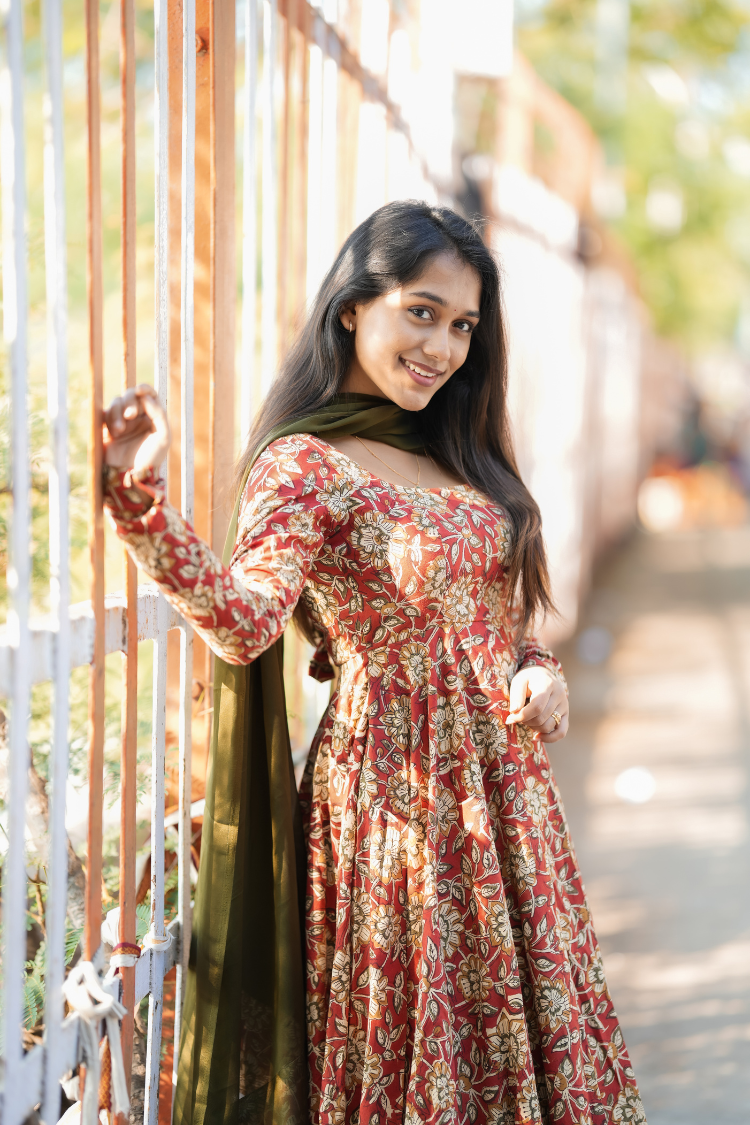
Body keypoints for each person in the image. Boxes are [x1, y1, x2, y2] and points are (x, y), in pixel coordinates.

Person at [103, 202, 645, 1125]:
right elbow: (243, 621)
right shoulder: (306, 464)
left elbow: (499, 616)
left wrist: (535, 670)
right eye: (422, 311)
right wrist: (142, 508)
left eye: (464, 326)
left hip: (506, 803)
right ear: (356, 305)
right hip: (395, 802)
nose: (442, 347)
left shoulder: (455, 451)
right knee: (422, 1061)